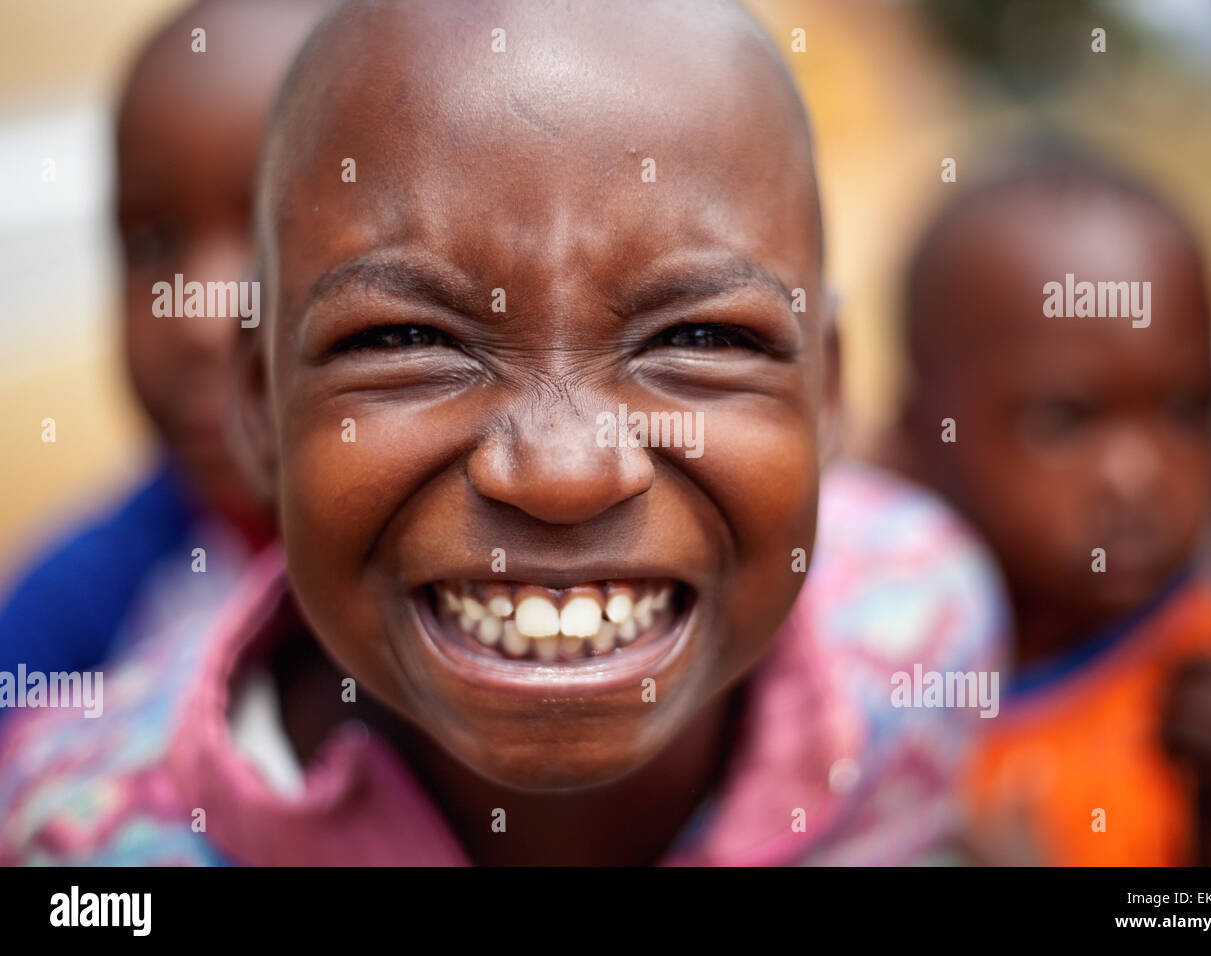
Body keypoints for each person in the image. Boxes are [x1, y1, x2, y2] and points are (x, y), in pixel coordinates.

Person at [0, 0, 1004, 866]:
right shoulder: (84, 836)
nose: (562, 473)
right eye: (404, 338)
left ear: (827, 391)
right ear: (258, 403)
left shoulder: (920, 638)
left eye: (699, 335)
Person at [892, 146, 1211, 865]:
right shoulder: (862, 680)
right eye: (1065, 419)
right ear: (919, 434)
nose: (1138, 475)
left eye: (1187, 409)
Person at [0, 0, 324, 698]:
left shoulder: (489, 568)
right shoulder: (69, 622)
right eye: (151, 243)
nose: (199, 318)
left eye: (269, 231)